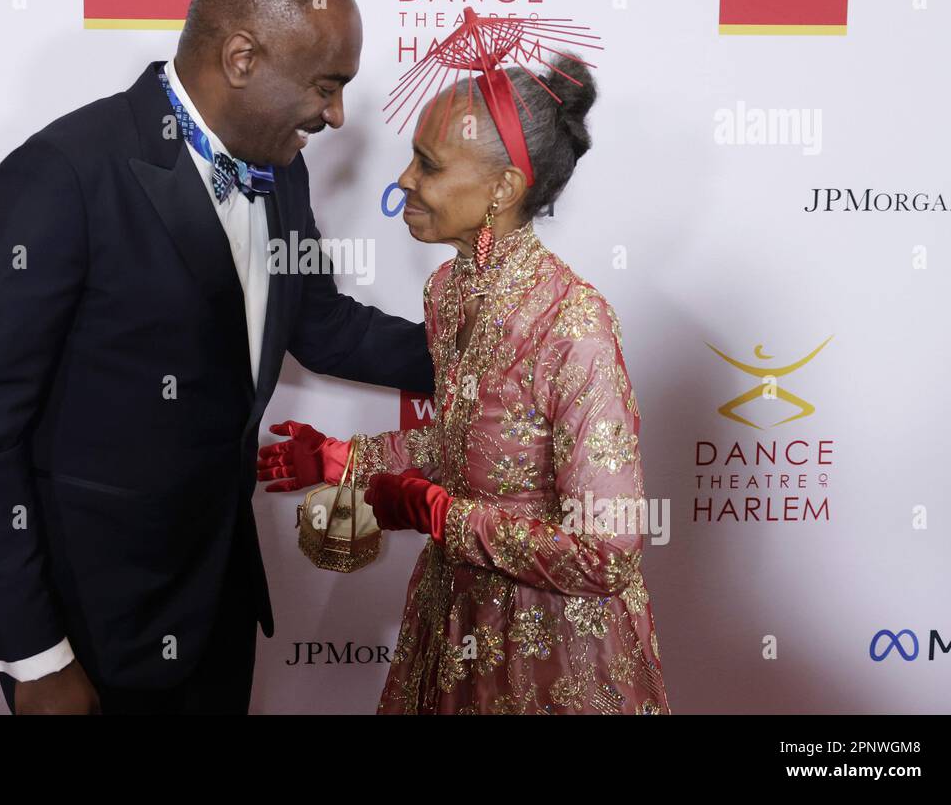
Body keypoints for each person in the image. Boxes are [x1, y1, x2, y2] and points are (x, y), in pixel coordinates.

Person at [0, 0, 434, 714]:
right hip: (89, 622)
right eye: (327, 86)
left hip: (218, 602)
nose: (335, 115)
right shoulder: (65, 174)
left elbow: (322, 324)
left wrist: (496, 349)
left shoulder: (281, 169)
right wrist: (35, 660)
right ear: (241, 57)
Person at [258, 39, 670, 714]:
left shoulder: (573, 326)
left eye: (428, 164)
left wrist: (436, 512)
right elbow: (472, 451)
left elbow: (606, 552)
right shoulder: (450, 290)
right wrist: (343, 461)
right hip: (456, 618)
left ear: (504, 188)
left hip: (551, 649)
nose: (404, 182)